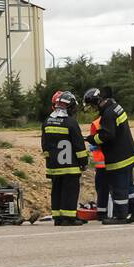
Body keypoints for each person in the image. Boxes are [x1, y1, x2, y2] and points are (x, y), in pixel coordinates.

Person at [84, 87, 134, 224]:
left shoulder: (108, 114)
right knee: (129, 187)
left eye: (93, 105)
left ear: (98, 101)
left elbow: (108, 135)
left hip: (119, 158)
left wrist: (93, 139)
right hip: (128, 154)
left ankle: (120, 216)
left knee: (119, 188)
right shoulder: (116, 107)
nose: (93, 108)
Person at [42, 90, 88, 226]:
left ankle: (58, 217)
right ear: (69, 107)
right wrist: (83, 162)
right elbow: (79, 146)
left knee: (56, 190)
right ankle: (69, 217)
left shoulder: (47, 122)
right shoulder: (71, 123)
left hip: (54, 166)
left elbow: (44, 145)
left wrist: (49, 161)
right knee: (70, 191)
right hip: (70, 165)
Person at [88, 114, 109, 220]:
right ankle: (110, 211)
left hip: (102, 162)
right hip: (112, 160)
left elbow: (94, 139)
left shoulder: (96, 123)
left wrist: (93, 143)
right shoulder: (117, 119)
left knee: (102, 188)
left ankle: (102, 213)